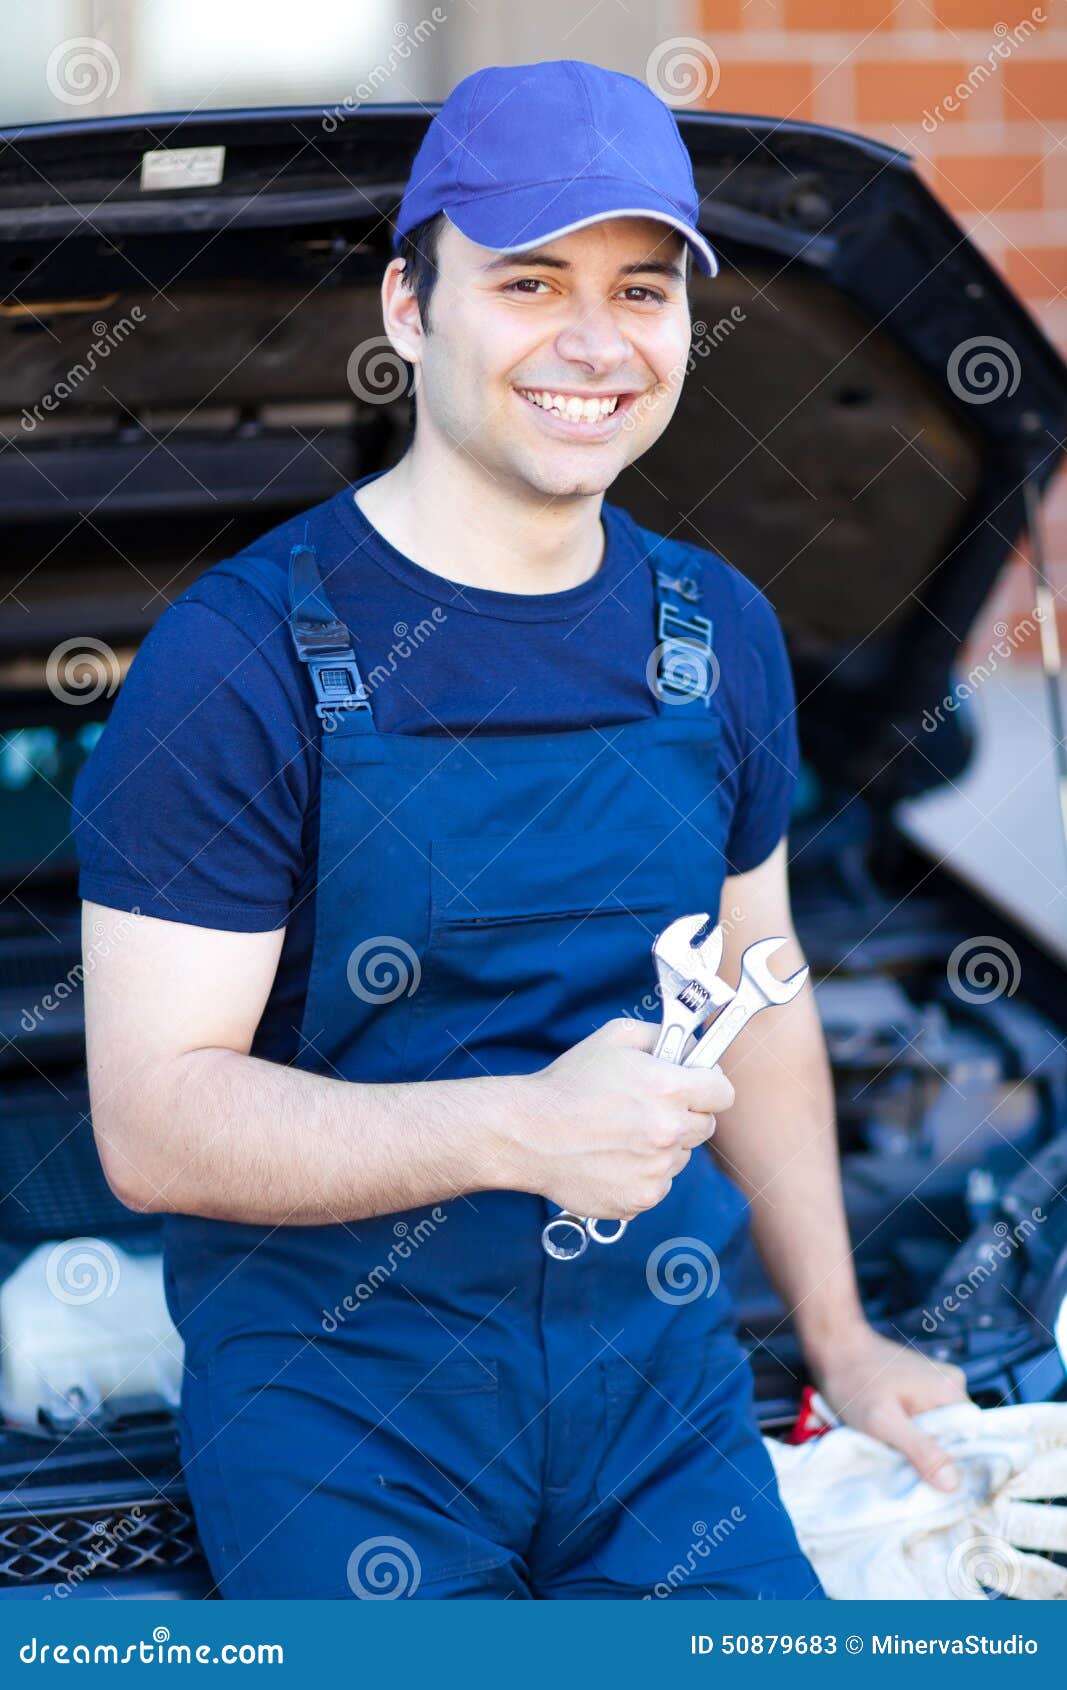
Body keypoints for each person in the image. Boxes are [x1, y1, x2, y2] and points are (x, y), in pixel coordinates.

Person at [75, 59, 969, 1600]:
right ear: (411, 309)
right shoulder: (244, 658)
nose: (594, 341)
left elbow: (760, 981)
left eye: (641, 288)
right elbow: (154, 1124)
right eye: (530, 278)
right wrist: (515, 1129)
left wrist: (841, 1332)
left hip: (665, 1404)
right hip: (347, 1414)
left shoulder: (719, 631)